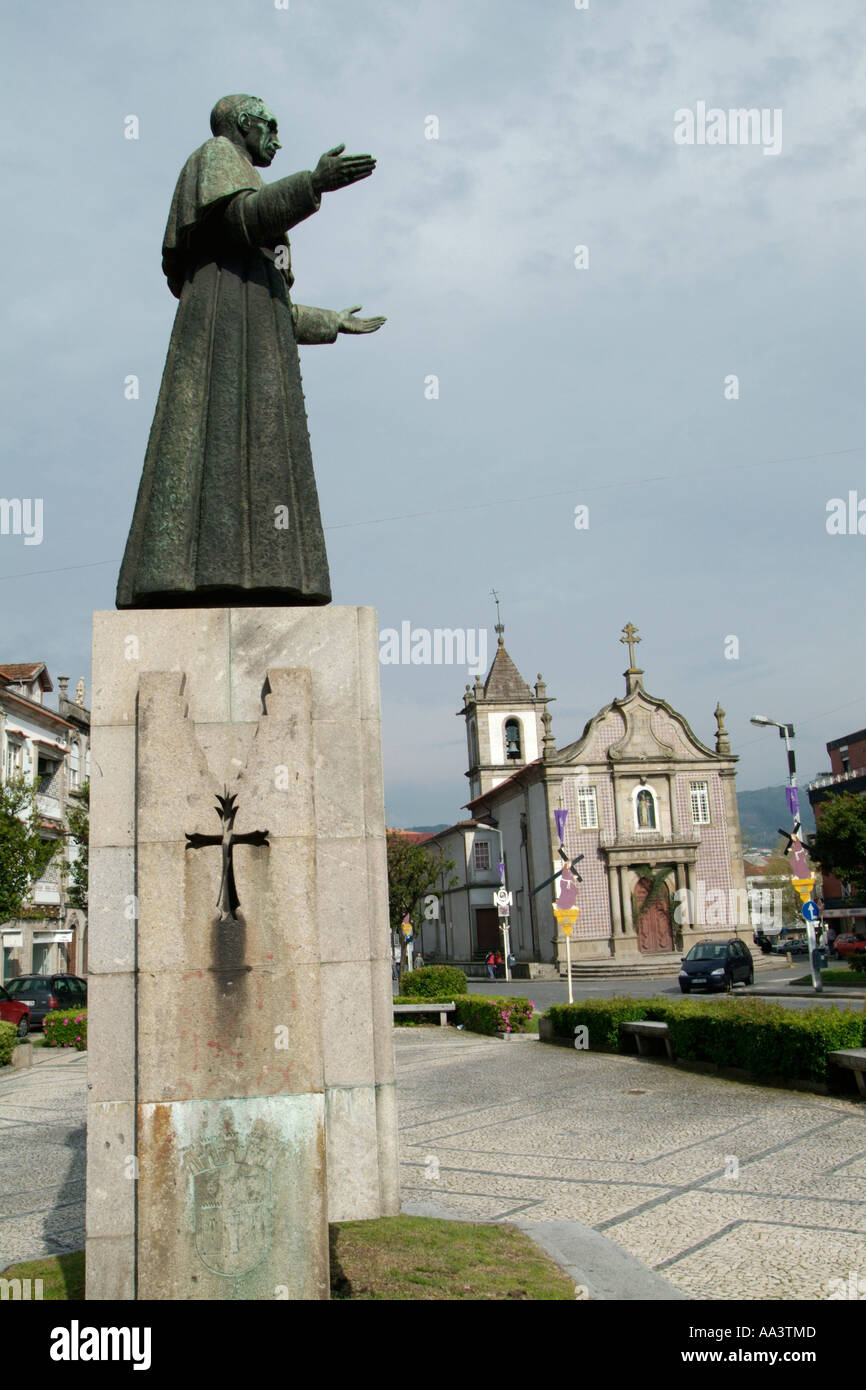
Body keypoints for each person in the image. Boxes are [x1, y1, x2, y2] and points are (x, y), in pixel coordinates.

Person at [117, 94, 385, 609]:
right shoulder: (216, 155)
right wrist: (313, 184)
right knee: (210, 443)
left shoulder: (249, 181)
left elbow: (276, 308)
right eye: (271, 127)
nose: (277, 140)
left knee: (260, 452)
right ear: (244, 124)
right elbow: (239, 218)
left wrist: (333, 322)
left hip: (251, 328)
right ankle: (195, 575)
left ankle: (266, 575)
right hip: (223, 322)